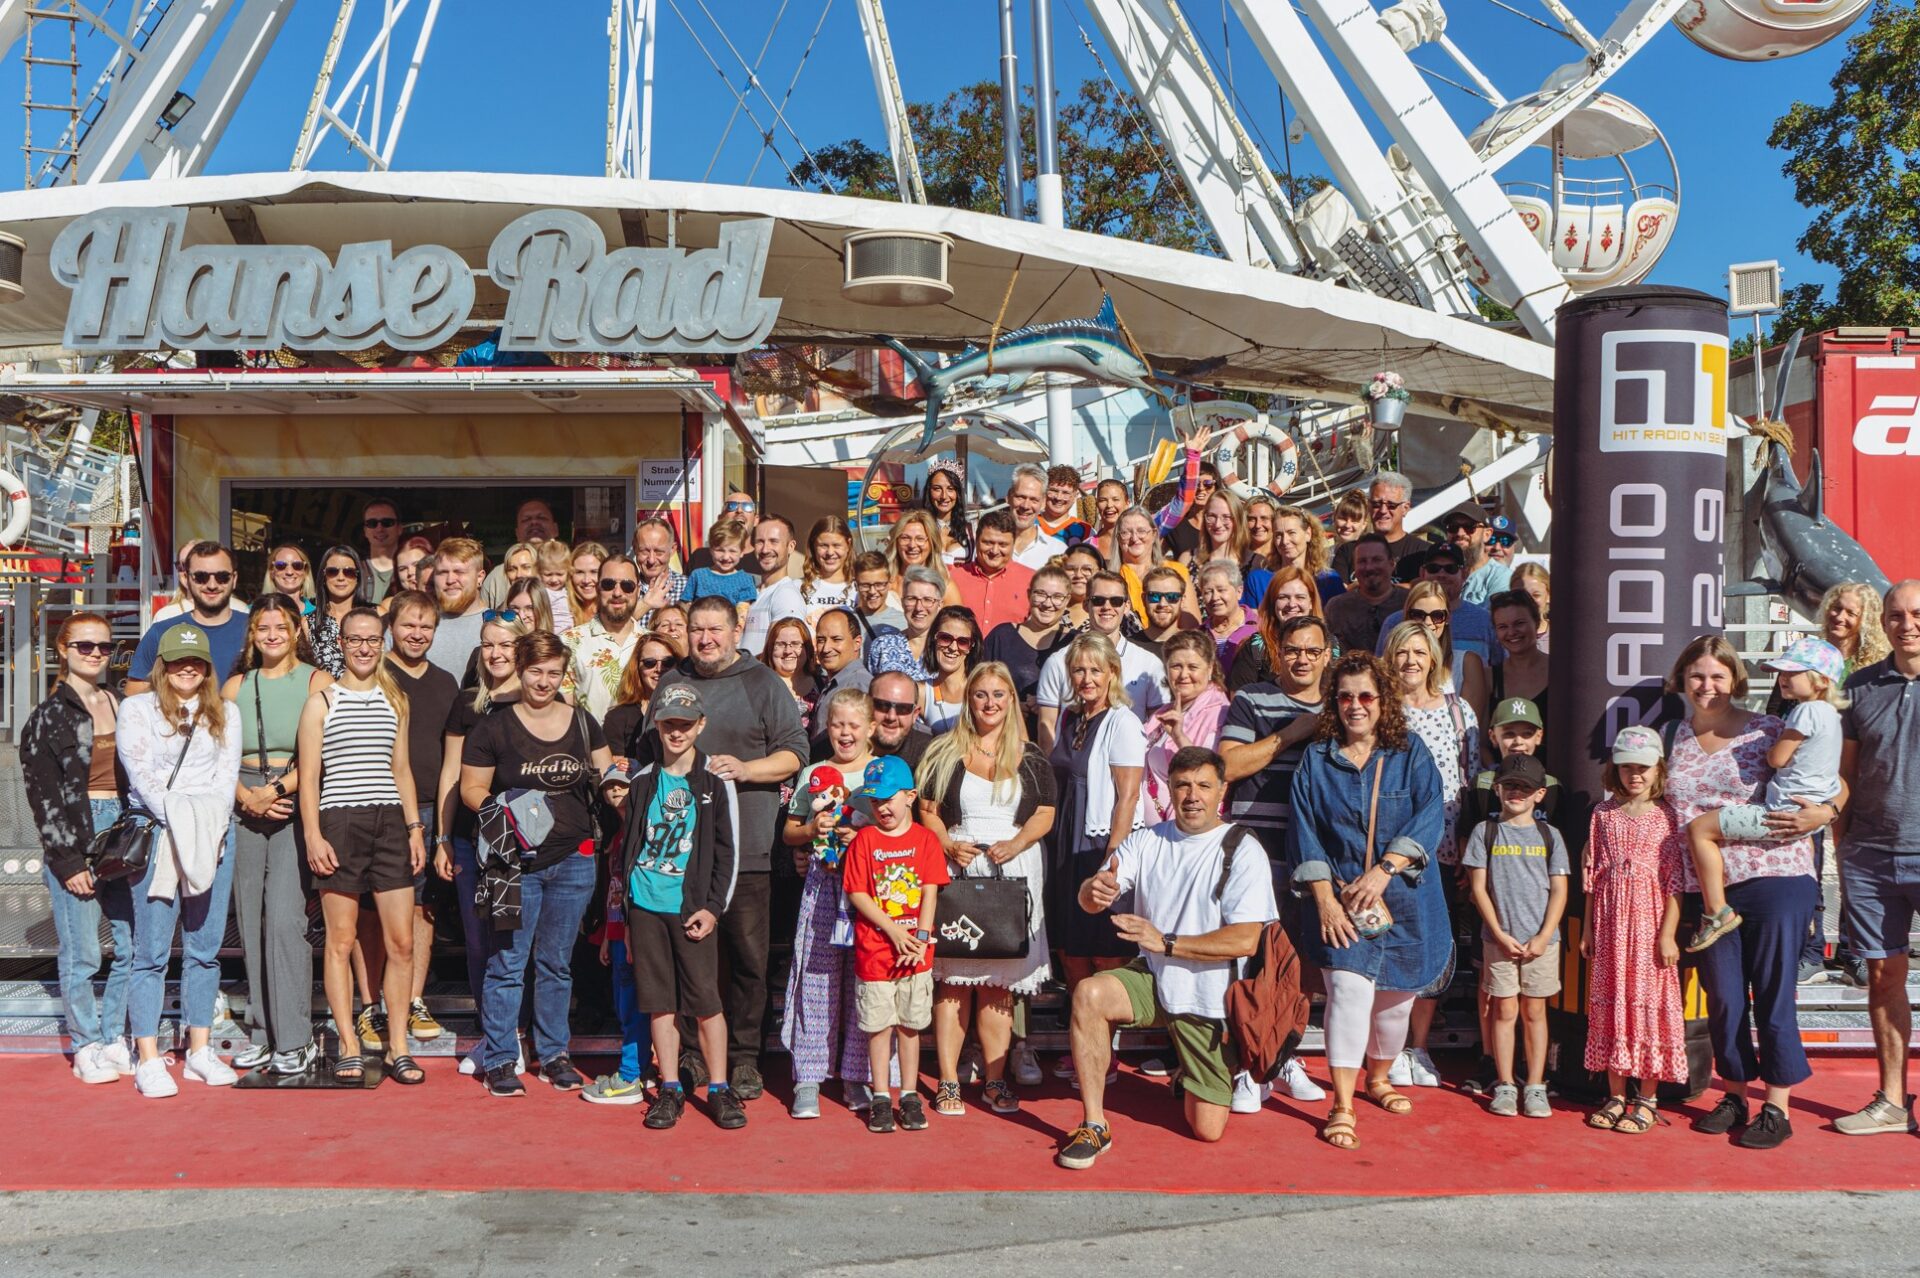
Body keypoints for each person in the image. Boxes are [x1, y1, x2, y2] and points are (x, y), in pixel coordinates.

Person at [1056, 747, 1279, 1167]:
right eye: (1182, 785)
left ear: (1221, 791)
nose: (1192, 795)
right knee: (1088, 994)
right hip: (1155, 980)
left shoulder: (1243, 848)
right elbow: (1095, 894)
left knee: (1207, 1131)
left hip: (1212, 1000)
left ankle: (1206, 1069)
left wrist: (1169, 942)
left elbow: (1246, 940)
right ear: (1169, 791)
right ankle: (1094, 1123)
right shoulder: (1146, 839)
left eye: (1203, 786)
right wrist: (1092, 890)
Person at [1659, 634, 1831, 1148]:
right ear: (1681, 680)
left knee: (1773, 996)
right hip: (1709, 893)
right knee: (1725, 999)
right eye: (1697, 675)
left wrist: (1826, 812)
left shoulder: (1770, 729)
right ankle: (1734, 1094)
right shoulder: (1672, 735)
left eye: (1717, 675)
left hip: (1777, 876)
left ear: (1734, 679)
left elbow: (1832, 781)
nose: (1707, 685)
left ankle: (1776, 1107)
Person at [1289, 651, 1447, 1151]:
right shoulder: (1316, 759)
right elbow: (1304, 834)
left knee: (1395, 1004)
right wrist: (1324, 901)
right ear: (1334, 702)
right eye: (1345, 696)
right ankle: (1342, 1102)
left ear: (1383, 701)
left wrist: (1385, 870)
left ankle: (1377, 1078)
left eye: (1365, 696)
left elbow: (1429, 816)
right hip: (1340, 899)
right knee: (1348, 995)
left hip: (1404, 899)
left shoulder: (1411, 752)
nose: (1355, 705)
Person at [652, 597, 809, 1099]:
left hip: (749, 850)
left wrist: (745, 769)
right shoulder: (673, 680)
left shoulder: (762, 682)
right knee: (696, 960)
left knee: (747, 960)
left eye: (715, 629)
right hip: (684, 853)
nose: (705, 639)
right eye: (696, 629)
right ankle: (696, 1055)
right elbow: (648, 750)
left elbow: (794, 754)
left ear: (736, 629)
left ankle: (744, 1058)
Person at [461, 630, 616, 1097]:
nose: (544, 682)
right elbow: (470, 789)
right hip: (515, 862)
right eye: (535, 672)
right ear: (520, 670)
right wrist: (504, 812)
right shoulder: (494, 727)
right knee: (507, 964)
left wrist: (620, 787)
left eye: (553, 672)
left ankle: (553, 1054)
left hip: (574, 859)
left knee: (557, 964)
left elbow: (608, 775)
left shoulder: (583, 722)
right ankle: (502, 1057)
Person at [296, 608, 428, 1085]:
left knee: (401, 942)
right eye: (356, 640)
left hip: (390, 822)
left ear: (383, 642)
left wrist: (415, 828)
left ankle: (398, 1046)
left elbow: (402, 770)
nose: (365, 647)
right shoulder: (321, 702)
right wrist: (313, 834)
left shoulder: (396, 698)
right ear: (343, 643)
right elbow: (309, 779)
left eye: (373, 639)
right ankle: (349, 1044)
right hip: (340, 822)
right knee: (341, 940)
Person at [917, 664, 1057, 1116]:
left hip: (1014, 870)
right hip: (958, 867)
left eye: (999, 694)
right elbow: (928, 810)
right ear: (969, 700)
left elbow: (1046, 813)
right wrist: (945, 843)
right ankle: (948, 1081)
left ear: (1012, 700)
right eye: (981, 695)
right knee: (953, 985)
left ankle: (995, 1081)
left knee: (998, 985)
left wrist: (1015, 843)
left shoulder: (1031, 755)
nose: (990, 703)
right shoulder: (943, 751)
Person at [120, 625, 244, 1097]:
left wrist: (206, 828)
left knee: (204, 948)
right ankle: (148, 1056)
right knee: (150, 952)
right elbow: (144, 776)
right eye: (175, 661)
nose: (185, 668)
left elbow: (224, 777)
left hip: (212, 835)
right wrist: (183, 818)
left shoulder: (225, 713)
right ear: (162, 665)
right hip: (159, 835)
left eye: (194, 661)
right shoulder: (136, 709)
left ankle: (198, 1050)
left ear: (208, 667)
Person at [621, 683, 746, 1131]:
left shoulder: (715, 781)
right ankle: (670, 1087)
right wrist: (627, 920)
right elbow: (628, 851)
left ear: (700, 725)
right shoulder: (642, 781)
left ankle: (718, 1087)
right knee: (660, 1005)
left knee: (706, 1002)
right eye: (669, 723)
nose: (677, 731)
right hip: (645, 907)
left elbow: (728, 852)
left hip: (691, 910)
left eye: (685, 724)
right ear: (656, 724)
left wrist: (713, 907)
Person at [21, 613, 135, 1085]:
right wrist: (67, 861)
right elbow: (43, 797)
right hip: (76, 832)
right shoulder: (47, 717)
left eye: (104, 647)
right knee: (84, 952)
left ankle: (114, 1036)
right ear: (63, 649)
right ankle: (86, 1043)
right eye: (85, 646)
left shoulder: (120, 702)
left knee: (132, 946)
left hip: (123, 831)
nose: (95, 654)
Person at [222, 596, 331, 1075]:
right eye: (262, 627)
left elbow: (324, 754)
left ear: (295, 630)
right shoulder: (233, 687)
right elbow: (214, 755)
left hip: (292, 806)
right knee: (250, 921)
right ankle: (264, 1032)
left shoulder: (317, 681)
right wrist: (246, 797)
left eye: (280, 626)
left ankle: (296, 1036)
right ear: (252, 634)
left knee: (287, 920)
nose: (271, 634)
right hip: (243, 805)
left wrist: (275, 790)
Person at [1686, 638, 1845, 952]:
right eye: (1781, 673)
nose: (1783, 678)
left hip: (1779, 811)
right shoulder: (1832, 717)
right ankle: (1804, 913)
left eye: (1793, 673)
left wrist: (1766, 748)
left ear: (1822, 680)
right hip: (1806, 813)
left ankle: (1717, 911)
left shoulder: (1803, 713)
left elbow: (1777, 759)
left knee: (1699, 829)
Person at [1835, 580, 1920, 1135]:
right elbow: (1842, 776)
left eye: (1916, 613)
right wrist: (1841, 846)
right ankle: (1892, 1100)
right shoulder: (1861, 687)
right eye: (1895, 615)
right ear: (1881, 622)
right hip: (1870, 856)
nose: (1906, 623)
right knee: (1883, 975)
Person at [1381, 619, 1479, 1089]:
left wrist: (1465, 841)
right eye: (1402, 653)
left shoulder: (1460, 713)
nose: (1411, 661)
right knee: (1394, 947)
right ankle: (1391, 1047)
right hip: (1390, 851)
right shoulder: (1380, 712)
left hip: (1443, 848)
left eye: (1420, 652)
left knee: (1435, 949)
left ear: (1435, 658)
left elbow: (1472, 777)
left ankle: (1419, 1048)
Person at [433, 611, 529, 1077]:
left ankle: (521, 1034)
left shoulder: (537, 698)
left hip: (528, 844)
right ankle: (496, 1037)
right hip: (474, 842)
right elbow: (451, 774)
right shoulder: (466, 702)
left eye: (506, 645)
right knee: (478, 944)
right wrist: (442, 838)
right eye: (489, 644)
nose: (496, 653)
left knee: (520, 945)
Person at [1582, 725, 1688, 1135]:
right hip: (1610, 924)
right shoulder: (1602, 815)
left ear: (1658, 769)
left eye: (1643, 767)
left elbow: (1675, 882)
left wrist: (1667, 934)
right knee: (1612, 1004)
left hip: (1648, 925)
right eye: (1626, 767)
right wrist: (1590, 927)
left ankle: (1647, 1097)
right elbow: (1591, 877)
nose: (1635, 775)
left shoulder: (1668, 816)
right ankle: (1615, 1095)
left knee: (1646, 1006)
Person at [782, 689, 881, 1118]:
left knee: (864, 982)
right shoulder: (815, 772)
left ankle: (857, 1074)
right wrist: (811, 830)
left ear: (871, 729)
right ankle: (808, 1075)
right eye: (837, 724)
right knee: (817, 978)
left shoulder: (883, 773)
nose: (845, 733)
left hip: (872, 894)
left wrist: (863, 838)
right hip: (823, 888)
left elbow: (902, 829)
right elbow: (789, 832)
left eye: (853, 725)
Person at [842, 754, 948, 1133]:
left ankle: (909, 1094)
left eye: (889, 798)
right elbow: (857, 893)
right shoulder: (865, 841)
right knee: (878, 1026)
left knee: (910, 1025)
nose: (882, 807)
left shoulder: (925, 839)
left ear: (910, 796)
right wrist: (893, 931)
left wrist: (919, 936)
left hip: (915, 955)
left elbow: (930, 889)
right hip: (875, 951)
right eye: (875, 800)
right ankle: (881, 1096)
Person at [1462, 753, 1570, 1119]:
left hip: (1543, 943)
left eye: (1524, 787)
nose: (1516, 792)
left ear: (1540, 794)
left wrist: (1543, 936)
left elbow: (1560, 891)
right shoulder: (1484, 831)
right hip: (1499, 941)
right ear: (1497, 789)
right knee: (1504, 1010)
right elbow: (1478, 889)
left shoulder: (1550, 835)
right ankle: (1506, 1084)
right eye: (1510, 785)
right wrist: (1497, 933)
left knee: (1535, 1011)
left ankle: (1536, 1086)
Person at [383, 592, 462, 1049]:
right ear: (392, 625)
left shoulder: (446, 682)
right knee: (377, 912)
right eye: (409, 625)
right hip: (380, 806)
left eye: (426, 627)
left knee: (423, 908)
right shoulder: (374, 675)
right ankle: (377, 1003)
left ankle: (412, 999)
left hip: (433, 808)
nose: (417, 634)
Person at [1050, 634, 1150, 996]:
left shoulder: (1122, 721)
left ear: (1113, 672)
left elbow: (1128, 796)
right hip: (1065, 839)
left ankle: (1108, 1041)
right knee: (1070, 947)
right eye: (1079, 670)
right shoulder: (1070, 717)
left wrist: (1113, 858)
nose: (1087, 678)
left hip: (1097, 844)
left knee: (1103, 948)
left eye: (1095, 669)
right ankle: (1080, 1031)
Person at [1035, 570, 1168, 750]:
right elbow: (1047, 730)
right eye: (1098, 600)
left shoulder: (1150, 664)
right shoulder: (1058, 662)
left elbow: (1157, 731)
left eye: (1116, 601)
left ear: (1126, 606)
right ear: (1085, 605)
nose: (1107, 607)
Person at [126, 541, 249, 696]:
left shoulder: (256, 628)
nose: (212, 585)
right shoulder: (162, 631)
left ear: (234, 578)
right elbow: (134, 694)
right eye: (201, 577)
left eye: (222, 577)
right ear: (186, 578)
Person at [1144, 631, 1229, 823]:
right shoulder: (1162, 714)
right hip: (1153, 831)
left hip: (1189, 829)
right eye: (1176, 666)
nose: (1184, 675)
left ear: (1209, 669)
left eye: (1193, 667)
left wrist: (1180, 737)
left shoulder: (1220, 714)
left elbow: (1207, 773)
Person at [982, 566, 1070, 730]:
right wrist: (1008, 708)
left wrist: (1050, 705)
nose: (1047, 603)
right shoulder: (1002, 636)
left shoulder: (1074, 643)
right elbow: (977, 686)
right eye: (1040, 594)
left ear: (1067, 600)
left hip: (1056, 741)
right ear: (1029, 595)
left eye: (1057, 597)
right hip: (1004, 736)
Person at [561, 552, 642, 722]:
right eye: (608, 584)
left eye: (627, 586)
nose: (618, 593)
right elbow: (562, 712)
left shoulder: (653, 644)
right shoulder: (568, 643)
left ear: (638, 590)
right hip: (587, 746)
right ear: (598, 588)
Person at [1227, 566, 1327, 693]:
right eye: (1283, 597)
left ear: (1311, 602)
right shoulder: (1255, 648)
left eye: (1300, 597)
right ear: (1272, 602)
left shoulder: (1330, 645)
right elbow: (1239, 701)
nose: (1291, 604)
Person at [950, 510, 1034, 633]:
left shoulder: (1031, 581)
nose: (994, 551)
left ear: (1013, 544)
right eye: (988, 543)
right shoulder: (953, 579)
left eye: (1003, 544)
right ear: (977, 540)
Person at [1323, 535, 1406, 658]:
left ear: (1392, 564)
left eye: (1377, 560)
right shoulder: (1336, 608)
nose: (1369, 567)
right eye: (1362, 561)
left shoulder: (1408, 602)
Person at [603, 630, 680, 762]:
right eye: (650, 662)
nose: (659, 669)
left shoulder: (694, 709)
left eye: (668, 662)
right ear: (637, 667)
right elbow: (615, 770)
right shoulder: (617, 718)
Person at [479, 498, 562, 608]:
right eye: (526, 519)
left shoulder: (571, 570)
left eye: (541, 518)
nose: (534, 522)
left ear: (555, 529)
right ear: (517, 533)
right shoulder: (497, 577)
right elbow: (483, 619)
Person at [742, 516, 807, 656]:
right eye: (760, 542)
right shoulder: (752, 591)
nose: (765, 549)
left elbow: (781, 655)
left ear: (791, 547)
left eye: (774, 541)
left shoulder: (786, 595)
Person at [424, 537, 488, 678]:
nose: (450, 580)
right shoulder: (416, 627)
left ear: (480, 577)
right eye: (442, 573)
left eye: (459, 572)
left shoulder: (499, 626)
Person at [1488, 590, 1549, 734]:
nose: (1512, 632)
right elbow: (1481, 742)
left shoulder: (1559, 671)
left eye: (1519, 623)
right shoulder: (1488, 678)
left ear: (1537, 623)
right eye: (1503, 627)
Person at [307, 544, 369, 678]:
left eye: (349, 572)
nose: (341, 577)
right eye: (332, 571)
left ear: (357, 577)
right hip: (326, 696)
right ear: (323, 577)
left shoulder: (376, 614)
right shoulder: (308, 622)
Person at [920, 605, 983, 735]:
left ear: (971, 646)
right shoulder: (921, 692)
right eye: (945, 638)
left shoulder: (983, 690)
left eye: (963, 641)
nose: (953, 647)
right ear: (934, 638)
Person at [683, 518, 758, 617]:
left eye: (732, 551)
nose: (726, 557)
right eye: (720, 550)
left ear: (742, 552)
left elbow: (742, 614)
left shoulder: (745, 580)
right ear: (710, 550)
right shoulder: (698, 576)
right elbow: (684, 606)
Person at [762, 616, 820, 732]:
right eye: (780, 644)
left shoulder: (822, 685)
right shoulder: (759, 687)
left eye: (795, 644)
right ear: (770, 648)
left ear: (807, 649)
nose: (788, 651)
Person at [888, 509, 960, 604]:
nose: (912, 545)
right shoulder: (884, 583)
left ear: (931, 544)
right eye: (905, 538)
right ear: (896, 542)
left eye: (920, 539)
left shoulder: (946, 588)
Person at [1195, 560, 1258, 668]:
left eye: (1221, 590)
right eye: (1208, 592)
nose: (1215, 598)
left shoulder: (1259, 628)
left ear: (1239, 592)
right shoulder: (1199, 635)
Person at [867, 667, 932, 770]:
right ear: (867, 705)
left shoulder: (930, 755)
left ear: (915, 714)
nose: (891, 717)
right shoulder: (844, 743)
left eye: (903, 708)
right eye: (883, 705)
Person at [1006, 463, 1067, 570]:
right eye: (1020, 497)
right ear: (1009, 497)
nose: (1025, 506)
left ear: (1043, 503)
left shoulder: (1057, 550)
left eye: (1034, 500)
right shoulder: (989, 546)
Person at [1447, 504, 1508, 606]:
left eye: (1469, 527)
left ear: (1487, 534)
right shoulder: (1438, 572)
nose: (1460, 533)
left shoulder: (1500, 577)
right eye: (1453, 527)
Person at [631, 517, 685, 629]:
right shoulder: (624, 588)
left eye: (659, 552)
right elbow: (612, 630)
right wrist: (644, 606)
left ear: (673, 549)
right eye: (644, 551)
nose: (651, 560)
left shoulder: (687, 588)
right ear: (634, 548)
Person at [798, 516, 856, 621]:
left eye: (836, 545)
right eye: (823, 546)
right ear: (813, 546)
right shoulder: (798, 588)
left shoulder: (860, 589)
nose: (830, 552)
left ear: (848, 544)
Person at [811, 607, 872, 706]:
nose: (826, 649)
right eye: (821, 640)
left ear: (857, 643)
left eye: (836, 639)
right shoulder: (838, 681)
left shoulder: (858, 686)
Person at [1181, 488, 1245, 575]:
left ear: (1238, 519)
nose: (1217, 524)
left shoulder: (1252, 563)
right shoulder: (1187, 560)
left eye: (1226, 517)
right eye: (1212, 516)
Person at [922, 459, 972, 563]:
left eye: (950, 489)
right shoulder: (920, 528)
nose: (944, 496)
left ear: (958, 493)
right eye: (937, 489)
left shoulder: (971, 531)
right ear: (929, 492)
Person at [850, 550, 907, 636]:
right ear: (856, 585)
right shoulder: (847, 622)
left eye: (879, 584)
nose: (872, 591)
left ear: (889, 583)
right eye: (865, 585)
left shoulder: (904, 621)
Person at [897, 566, 946, 665]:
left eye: (927, 600)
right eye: (912, 599)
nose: (919, 608)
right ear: (902, 602)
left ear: (940, 604)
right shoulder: (883, 647)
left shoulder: (949, 649)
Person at [360, 496, 403, 601]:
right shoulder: (352, 571)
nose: (379, 529)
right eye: (372, 523)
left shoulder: (412, 570)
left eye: (387, 522)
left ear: (399, 528)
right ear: (365, 531)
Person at [1059, 542, 1104, 633]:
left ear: (1100, 573)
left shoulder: (1114, 608)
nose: (1078, 575)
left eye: (1087, 569)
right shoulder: (1049, 608)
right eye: (1071, 569)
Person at [1039, 464, 1091, 543]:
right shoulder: (1028, 523)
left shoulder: (1085, 530)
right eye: (1054, 491)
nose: (1058, 498)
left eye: (1065, 493)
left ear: (1075, 496)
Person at [260, 541, 316, 614]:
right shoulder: (253, 612)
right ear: (271, 571)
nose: (289, 572)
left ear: (305, 571)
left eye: (297, 565)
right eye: (281, 565)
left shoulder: (319, 615)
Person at [537, 539, 577, 632]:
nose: (554, 580)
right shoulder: (541, 592)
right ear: (539, 571)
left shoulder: (569, 590)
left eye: (559, 574)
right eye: (548, 574)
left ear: (568, 571)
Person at [1511, 561, 1552, 651]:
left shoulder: (1563, 636)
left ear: (1548, 595)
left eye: (1536, 595)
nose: (1528, 601)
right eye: (1520, 595)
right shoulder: (1503, 636)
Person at [568, 541, 608, 629]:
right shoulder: (562, 611)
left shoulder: (614, 610)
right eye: (579, 572)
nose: (586, 580)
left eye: (594, 572)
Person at [1091, 478, 1129, 560]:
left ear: (1127, 503)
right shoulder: (1088, 546)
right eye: (1103, 500)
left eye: (1115, 499)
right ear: (1097, 504)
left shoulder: (1139, 541)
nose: (1109, 505)